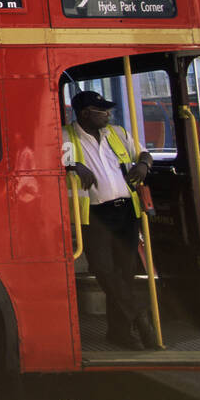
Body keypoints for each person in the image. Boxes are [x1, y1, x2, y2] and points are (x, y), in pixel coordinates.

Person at [64, 90, 157, 350]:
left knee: (125, 274)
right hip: (94, 214)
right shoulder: (65, 136)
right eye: (101, 110)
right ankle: (139, 314)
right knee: (104, 270)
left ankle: (120, 332)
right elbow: (53, 163)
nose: (107, 114)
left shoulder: (118, 133)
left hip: (126, 211)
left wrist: (143, 166)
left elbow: (144, 154)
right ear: (84, 114)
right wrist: (72, 166)